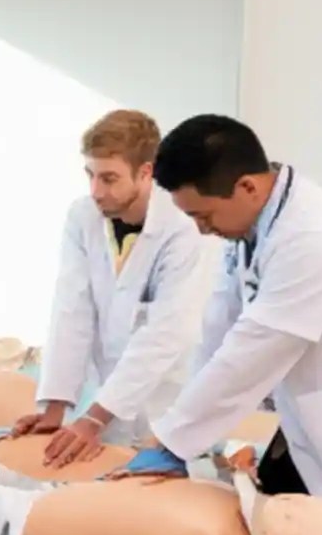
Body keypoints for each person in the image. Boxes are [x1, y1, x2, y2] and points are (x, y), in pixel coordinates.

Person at [119, 114, 322, 497]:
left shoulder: (309, 237)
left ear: (247, 186)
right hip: (303, 420)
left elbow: (253, 350)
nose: (201, 229)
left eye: (204, 215)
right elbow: (219, 329)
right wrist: (172, 434)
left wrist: (172, 438)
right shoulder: (254, 226)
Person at [13, 109, 204, 466]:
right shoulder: (83, 217)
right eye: (90, 175)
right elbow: (72, 311)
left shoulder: (182, 228)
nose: (96, 191)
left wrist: (95, 417)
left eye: (109, 178)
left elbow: (166, 333)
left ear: (146, 172)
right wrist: (55, 408)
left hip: (166, 409)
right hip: (104, 413)